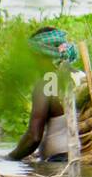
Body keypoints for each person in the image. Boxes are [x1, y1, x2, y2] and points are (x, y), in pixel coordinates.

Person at [7, 27, 81, 163]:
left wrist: (9, 158)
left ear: (41, 56)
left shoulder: (47, 83)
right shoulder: (81, 76)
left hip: (58, 163)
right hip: (82, 158)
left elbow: (33, 137)